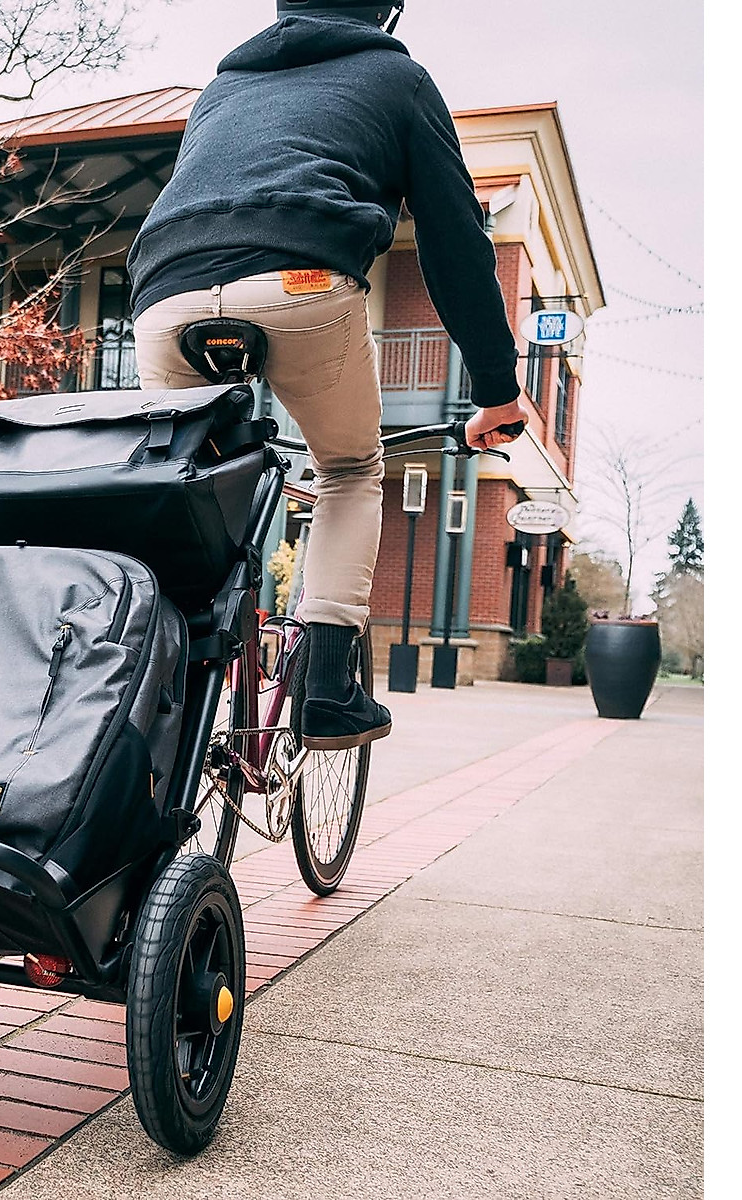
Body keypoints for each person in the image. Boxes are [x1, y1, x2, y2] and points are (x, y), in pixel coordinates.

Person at [126, 0, 531, 750]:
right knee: (350, 468)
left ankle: (155, 677)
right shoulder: (396, 77)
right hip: (301, 285)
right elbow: (455, 243)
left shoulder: (223, 89)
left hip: (162, 300)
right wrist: (497, 389)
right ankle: (325, 694)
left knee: (181, 490)